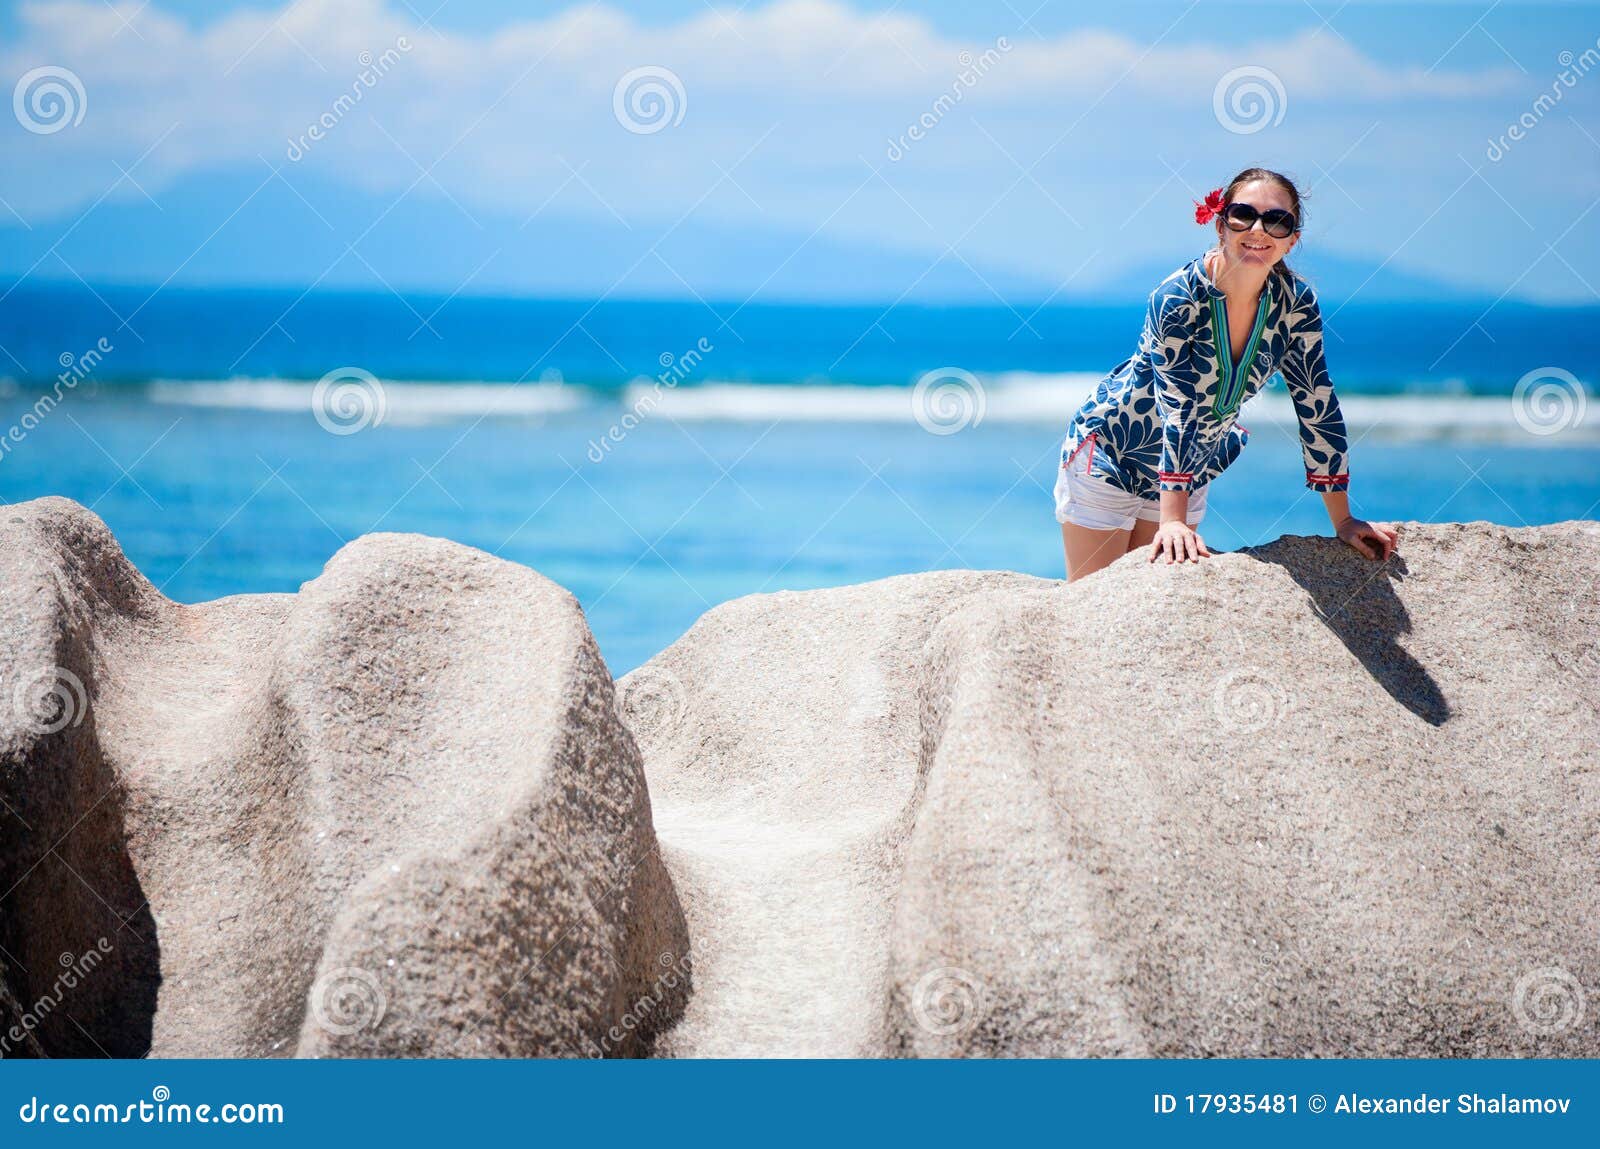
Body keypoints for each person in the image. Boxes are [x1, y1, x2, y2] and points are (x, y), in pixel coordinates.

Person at [1054, 167, 1398, 581]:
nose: (1258, 229)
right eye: (1243, 215)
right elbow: (1178, 403)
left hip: (1190, 466)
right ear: (1220, 224)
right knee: (1095, 607)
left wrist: (1343, 521)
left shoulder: (1296, 305)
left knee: (1154, 608)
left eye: (1277, 220)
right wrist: (1173, 521)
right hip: (1112, 455)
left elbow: (1316, 403)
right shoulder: (1177, 297)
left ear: (1292, 240)